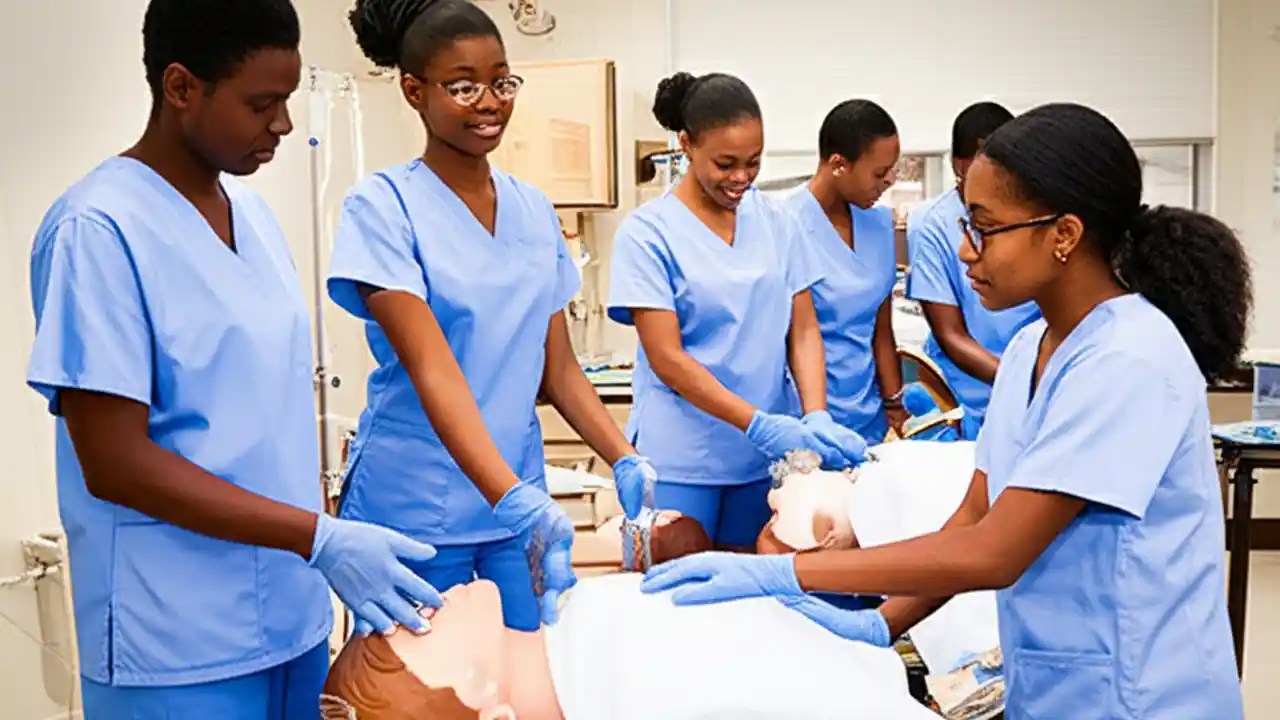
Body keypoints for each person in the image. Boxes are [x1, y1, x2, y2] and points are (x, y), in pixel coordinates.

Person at [640, 102, 1250, 719]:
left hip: (1145, 690)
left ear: (1063, 234)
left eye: (984, 228)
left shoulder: (1129, 357)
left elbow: (995, 551)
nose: (964, 250)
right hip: (1058, 681)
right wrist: (883, 622)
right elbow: (973, 516)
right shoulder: (1025, 352)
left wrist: (787, 572)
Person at [24, 1, 443, 717]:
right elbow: (114, 460)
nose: (282, 123)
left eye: (286, 100)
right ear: (181, 87)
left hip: (291, 615)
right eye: (262, 103)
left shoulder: (250, 216)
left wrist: (330, 533)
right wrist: (319, 537)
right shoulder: (99, 229)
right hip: (176, 643)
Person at [330, 0, 656, 634]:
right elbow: (432, 369)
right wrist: (509, 496)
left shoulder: (534, 210)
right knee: (430, 690)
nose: (489, 101)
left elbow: (557, 369)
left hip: (516, 509)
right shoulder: (384, 206)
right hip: (417, 504)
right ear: (414, 91)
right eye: (462, 86)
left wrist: (624, 457)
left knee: (522, 681)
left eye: (501, 81)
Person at [606, 71, 867, 550]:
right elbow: (666, 356)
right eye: (725, 163)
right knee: (674, 597)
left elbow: (803, 329)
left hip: (763, 458)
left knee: (759, 594)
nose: (741, 177)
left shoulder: (777, 222)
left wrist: (815, 414)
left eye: (753, 162)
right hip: (683, 453)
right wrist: (756, 423)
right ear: (685, 144)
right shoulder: (648, 234)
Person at [319, 548, 939, 720]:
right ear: (495, 712)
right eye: (405, 638)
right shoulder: (623, 689)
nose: (414, 609)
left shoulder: (577, 635)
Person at [906, 102, 1040, 438]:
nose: (970, 253)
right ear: (960, 163)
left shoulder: (1035, 211)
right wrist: (1020, 380)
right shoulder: (934, 223)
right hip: (971, 398)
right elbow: (950, 334)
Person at [787, 99, 908, 442]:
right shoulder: (786, 224)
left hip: (868, 414)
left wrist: (895, 404)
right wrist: (814, 417)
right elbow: (792, 335)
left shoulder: (880, 223)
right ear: (838, 164)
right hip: (804, 417)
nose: (889, 181)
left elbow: (881, 329)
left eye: (893, 170)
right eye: (879, 172)